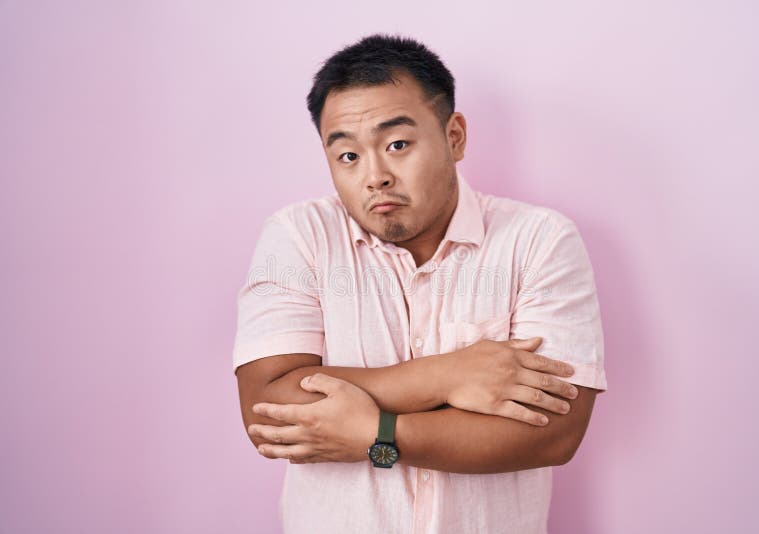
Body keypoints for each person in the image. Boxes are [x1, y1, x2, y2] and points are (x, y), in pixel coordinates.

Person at [232, 33, 607, 534]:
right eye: (348, 156)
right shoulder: (299, 237)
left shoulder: (540, 240)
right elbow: (268, 409)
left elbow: (554, 434)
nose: (375, 176)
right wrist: (446, 377)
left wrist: (375, 434)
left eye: (397, 145)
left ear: (454, 137)